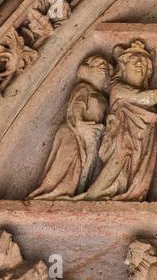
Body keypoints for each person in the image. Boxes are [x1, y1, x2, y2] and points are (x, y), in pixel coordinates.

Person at [78, 42, 157, 201]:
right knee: (119, 166)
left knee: (140, 173)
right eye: (135, 61)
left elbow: (154, 103)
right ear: (123, 67)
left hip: (143, 141)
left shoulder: (149, 98)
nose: (140, 65)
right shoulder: (117, 88)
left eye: (145, 63)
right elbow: (141, 97)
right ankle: (100, 194)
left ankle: (133, 196)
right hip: (123, 137)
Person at [30, 55, 111, 199]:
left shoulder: (103, 98)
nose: (103, 69)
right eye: (99, 66)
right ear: (87, 70)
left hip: (92, 136)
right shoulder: (83, 88)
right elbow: (76, 108)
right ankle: (54, 193)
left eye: (105, 68)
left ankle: (78, 193)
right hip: (74, 133)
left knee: (88, 166)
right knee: (67, 165)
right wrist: (81, 126)